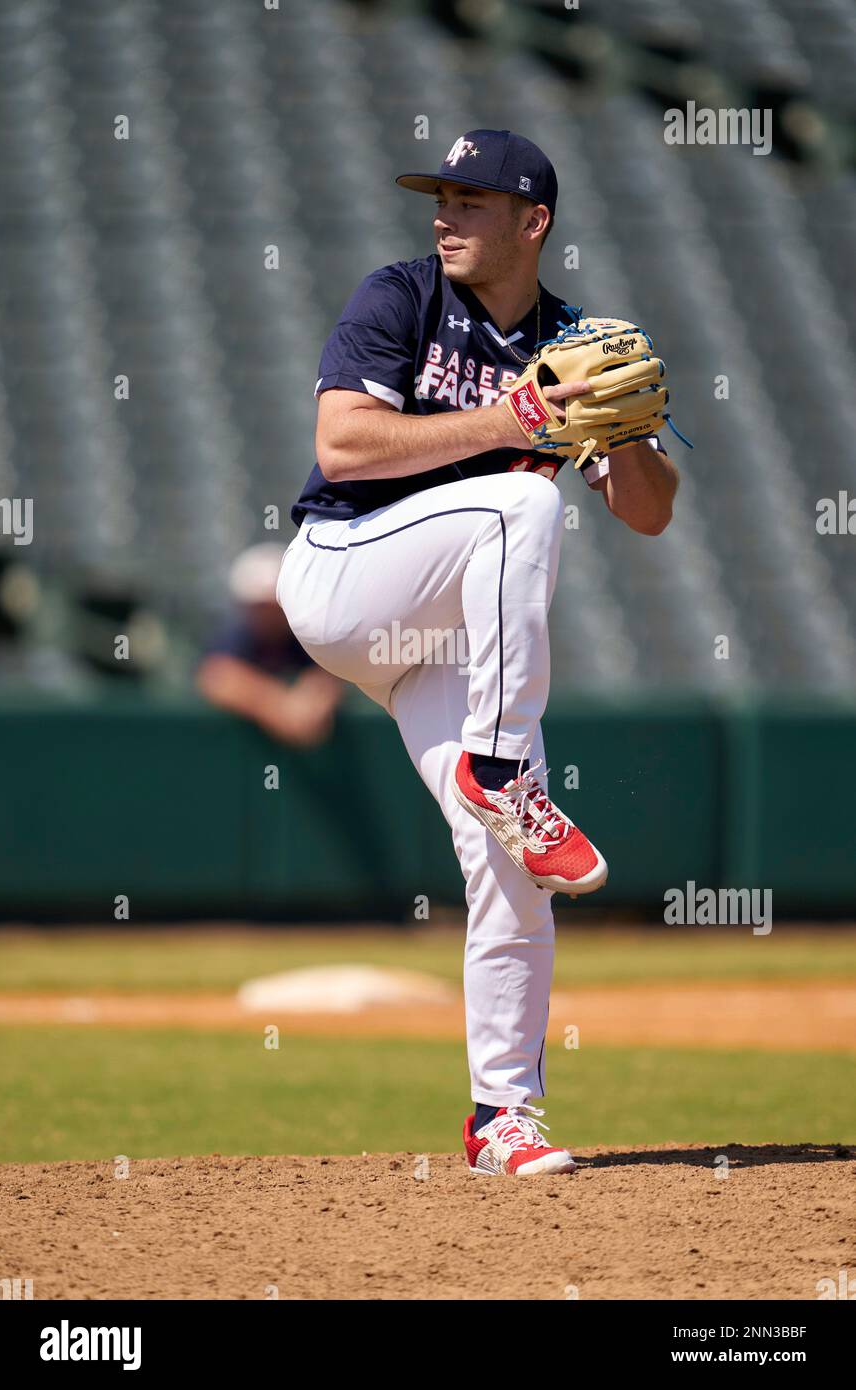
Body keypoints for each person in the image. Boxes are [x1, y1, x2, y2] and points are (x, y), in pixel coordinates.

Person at [278, 130, 679, 1175]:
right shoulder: (399, 296)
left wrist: (623, 432)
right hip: (345, 578)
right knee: (516, 505)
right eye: (439, 196)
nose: (443, 215)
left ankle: (500, 1116)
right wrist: (506, 416)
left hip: (449, 641)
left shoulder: (572, 341)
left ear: (531, 221)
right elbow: (342, 444)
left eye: (471, 200)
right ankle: (498, 771)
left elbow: (646, 517)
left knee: (513, 871)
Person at [197, 542, 343, 747]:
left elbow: (334, 671)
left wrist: (316, 696)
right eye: (260, 606)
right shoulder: (236, 637)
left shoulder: (310, 634)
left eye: (275, 605)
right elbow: (216, 676)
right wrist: (279, 706)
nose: (269, 614)